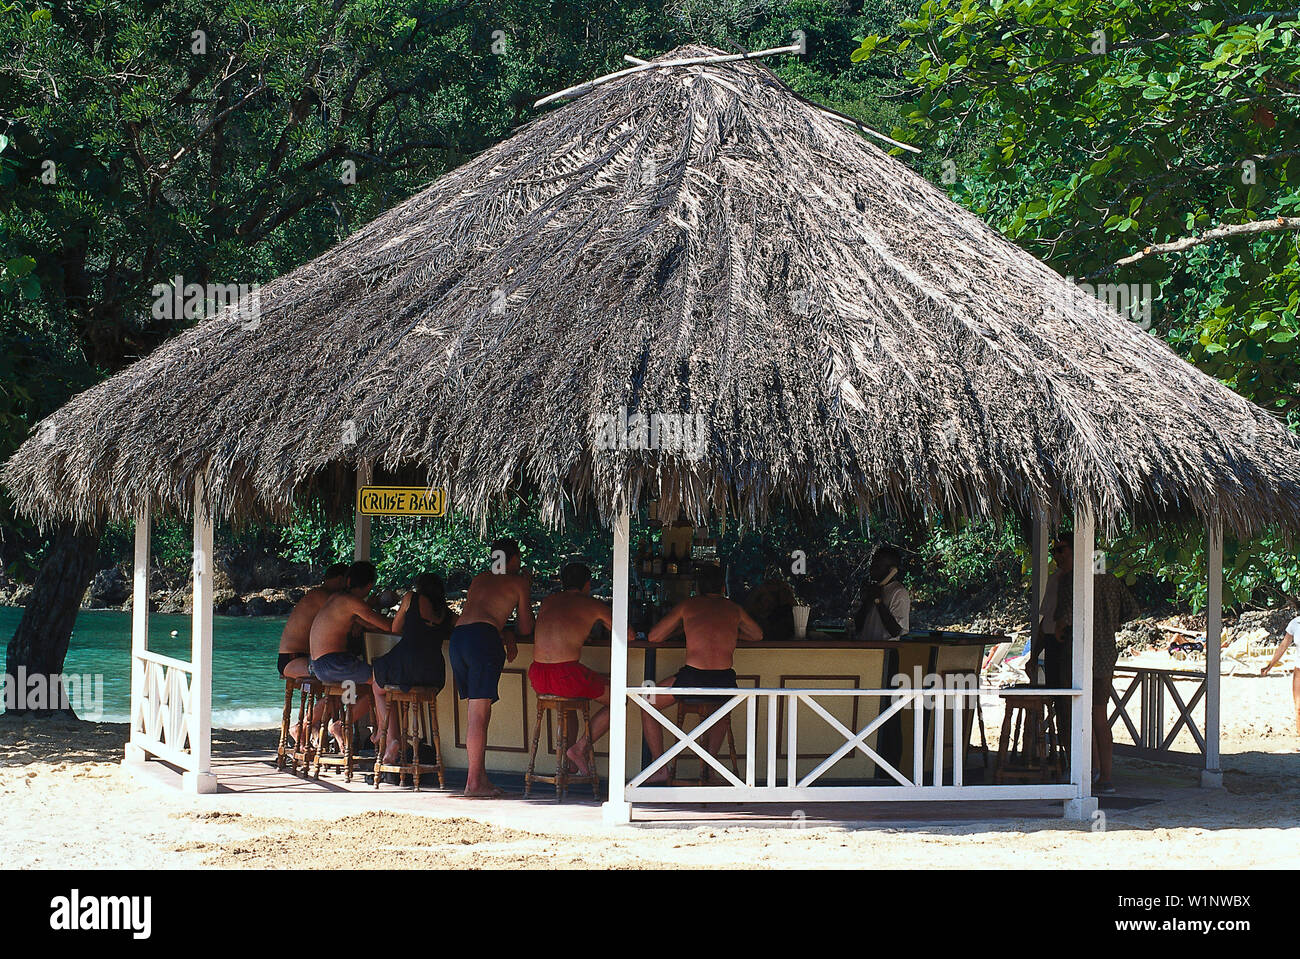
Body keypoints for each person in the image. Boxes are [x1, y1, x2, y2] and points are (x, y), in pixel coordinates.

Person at [639, 563, 763, 783]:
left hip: (693, 678)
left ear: (696, 587)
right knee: (721, 711)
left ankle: (660, 767)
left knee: (647, 703)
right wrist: (732, 633)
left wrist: (683, 629)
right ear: (723, 588)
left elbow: (654, 637)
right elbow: (757, 635)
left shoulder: (688, 605)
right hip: (725, 682)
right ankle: (709, 768)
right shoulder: (733, 608)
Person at [450, 538, 533, 798]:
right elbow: (527, 628)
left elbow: (484, 612)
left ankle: (480, 778)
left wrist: (504, 631)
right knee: (479, 715)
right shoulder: (518, 582)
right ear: (514, 559)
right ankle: (473, 783)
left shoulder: (479, 579)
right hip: (482, 641)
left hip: (459, 638)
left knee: (476, 713)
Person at [1052, 564, 1141, 794]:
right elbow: (1133, 609)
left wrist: (1059, 631)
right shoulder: (1111, 580)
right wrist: (1112, 622)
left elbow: (1063, 619)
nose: (1057, 557)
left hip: (1081, 656)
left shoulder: (1073, 579)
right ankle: (1106, 778)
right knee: (1099, 717)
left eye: (1061, 551)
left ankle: (1087, 772)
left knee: (1080, 715)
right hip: (1106, 654)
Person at [530, 562, 614, 776]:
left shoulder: (548, 601)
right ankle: (579, 748)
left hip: (538, 675)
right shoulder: (592, 604)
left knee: (570, 706)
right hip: (566, 675)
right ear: (588, 584)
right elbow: (629, 634)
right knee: (620, 700)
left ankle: (569, 764)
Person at [370, 573, 456, 767]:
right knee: (386, 685)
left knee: (378, 687)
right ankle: (391, 738)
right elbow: (465, 624)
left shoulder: (411, 598)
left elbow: (394, 628)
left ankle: (391, 739)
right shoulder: (447, 613)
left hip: (406, 662)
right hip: (433, 672)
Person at [308, 561, 394, 749]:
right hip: (333, 663)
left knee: (357, 686)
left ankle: (329, 724)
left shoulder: (337, 598)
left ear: (348, 580)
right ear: (369, 586)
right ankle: (344, 725)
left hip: (319, 664)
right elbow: (388, 626)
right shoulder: (352, 602)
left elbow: (368, 623)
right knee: (381, 680)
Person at [277, 562, 349, 681]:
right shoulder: (321, 596)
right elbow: (350, 619)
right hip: (293, 660)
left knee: (343, 672)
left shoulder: (321, 595)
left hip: (305, 658)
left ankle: (335, 700)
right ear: (341, 579)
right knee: (342, 674)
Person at [853, 546, 910, 642]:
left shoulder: (899, 592)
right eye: (872, 564)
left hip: (885, 652)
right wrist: (868, 601)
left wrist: (878, 601)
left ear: (891, 570)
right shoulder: (874, 589)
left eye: (877, 566)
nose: (872, 569)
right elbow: (858, 625)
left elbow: (895, 631)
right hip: (867, 649)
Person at [1261, 614, 1300, 735]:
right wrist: (1270, 665)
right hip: (1299, 670)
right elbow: (1283, 646)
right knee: (1299, 708)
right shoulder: (1295, 623)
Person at [744, 565, 797, 641]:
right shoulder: (753, 614)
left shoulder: (786, 613)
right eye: (761, 595)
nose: (766, 598)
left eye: (773, 593)